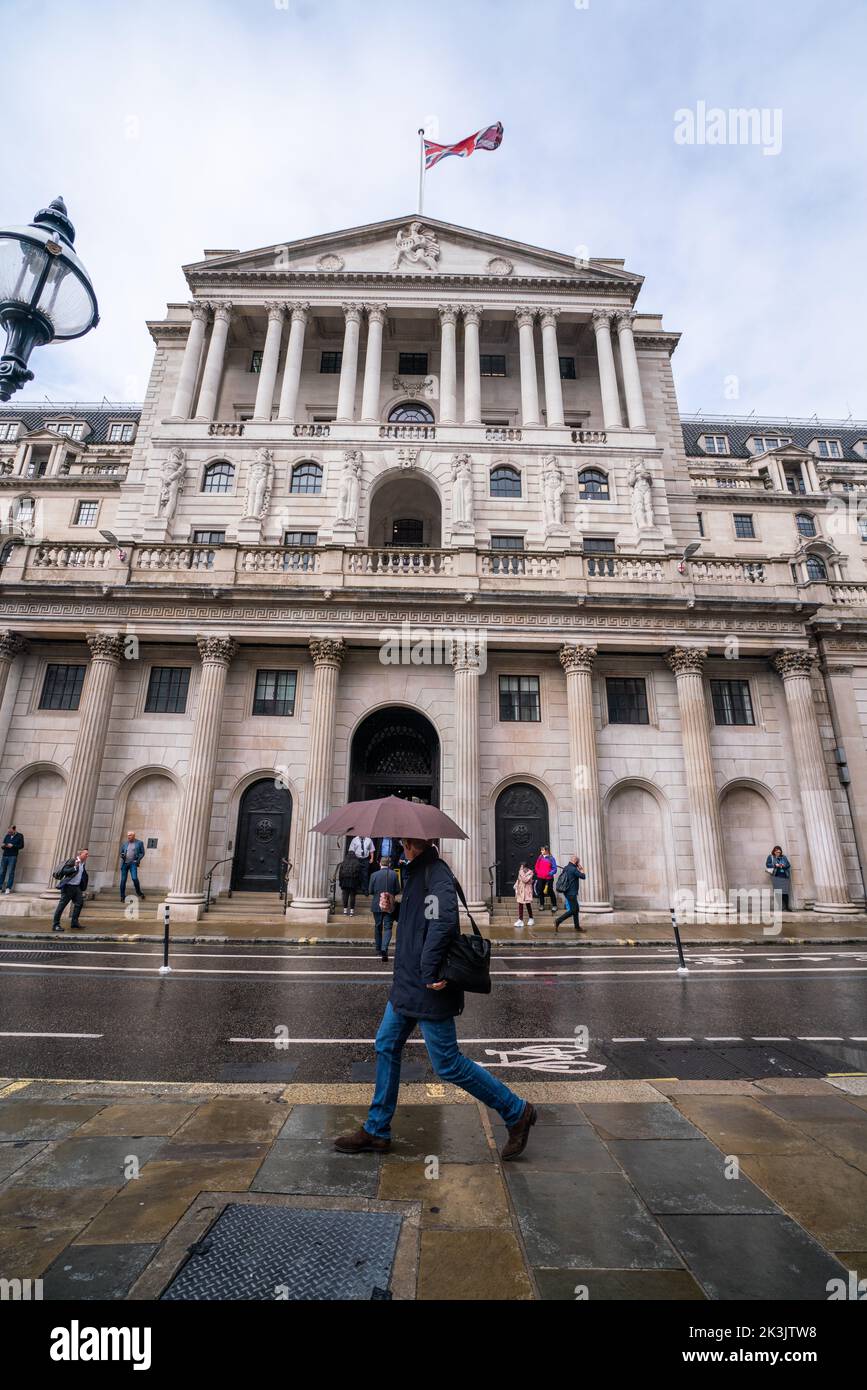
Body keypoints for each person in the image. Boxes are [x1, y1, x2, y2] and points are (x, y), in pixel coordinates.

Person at [334, 837, 536, 1161]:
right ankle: (377, 1129)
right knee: (386, 1044)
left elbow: (443, 923)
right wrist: (394, 908)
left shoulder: (436, 873)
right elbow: (422, 921)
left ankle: (516, 1111)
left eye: (404, 841)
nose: (400, 844)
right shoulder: (414, 872)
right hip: (409, 984)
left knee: (448, 1064)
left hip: (428, 984)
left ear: (415, 842)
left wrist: (428, 972)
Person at [369, 855, 399, 961]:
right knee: (387, 927)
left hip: (377, 904)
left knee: (377, 926)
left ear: (380, 863)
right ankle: (384, 948)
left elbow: (370, 891)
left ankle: (378, 948)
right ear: (389, 864)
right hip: (389, 904)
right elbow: (397, 890)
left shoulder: (374, 875)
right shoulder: (394, 874)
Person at [52, 849, 89, 932]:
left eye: (87, 854)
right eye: (86, 854)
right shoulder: (73, 861)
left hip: (76, 888)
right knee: (62, 906)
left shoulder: (83, 864)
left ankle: (74, 923)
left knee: (79, 903)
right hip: (68, 887)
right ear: (80, 854)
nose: (87, 856)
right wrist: (75, 868)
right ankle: (55, 925)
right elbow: (65, 871)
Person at [555, 855, 587, 932]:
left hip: (567, 892)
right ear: (576, 862)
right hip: (571, 893)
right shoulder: (574, 869)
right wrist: (581, 869)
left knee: (576, 909)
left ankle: (577, 926)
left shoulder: (566, 868)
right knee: (573, 910)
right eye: (578, 862)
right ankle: (558, 920)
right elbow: (583, 876)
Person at [119, 830, 146, 903]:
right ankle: (122, 896)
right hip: (124, 863)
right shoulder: (125, 843)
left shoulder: (139, 843)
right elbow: (121, 852)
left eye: (130, 835)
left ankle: (139, 892)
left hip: (133, 863)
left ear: (134, 836)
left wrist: (137, 860)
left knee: (134, 878)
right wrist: (122, 855)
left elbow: (142, 853)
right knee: (123, 880)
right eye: (128, 835)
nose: (128, 837)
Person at [765, 845, 792, 910]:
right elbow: (767, 864)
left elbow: (788, 865)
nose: (778, 853)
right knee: (778, 892)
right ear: (774, 852)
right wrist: (775, 865)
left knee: (785, 892)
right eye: (777, 852)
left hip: (784, 876)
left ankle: (787, 907)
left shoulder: (784, 857)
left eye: (779, 852)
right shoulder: (770, 857)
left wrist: (783, 865)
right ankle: (780, 907)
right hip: (776, 876)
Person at [0, 824, 24, 894]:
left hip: (13, 856)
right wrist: (3, 845)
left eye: (10, 832)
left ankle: (8, 888)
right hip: (5, 855)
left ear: (14, 829)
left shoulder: (20, 836)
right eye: (8, 832)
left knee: (11, 872)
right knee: (1, 872)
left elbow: (21, 846)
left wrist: (13, 846)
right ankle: (0, 887)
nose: (9, 833)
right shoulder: (7, 835)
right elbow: (3, 846)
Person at [338, 850, 363, 915]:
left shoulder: (343, 863)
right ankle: (352, 911)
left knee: (345, 896)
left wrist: (340, 882)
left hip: (344, 881)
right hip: (353, 882)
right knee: (352, 896)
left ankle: (345, 911)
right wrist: (359, 883)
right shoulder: (357, 863)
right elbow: (360, 875)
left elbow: (340, 874)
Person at [534, 846, 558, 913]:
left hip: (548, 878)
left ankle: (554, 905)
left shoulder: (551, 858)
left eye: (542, 850)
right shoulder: (540, 858)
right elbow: (536, 866)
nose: (541, 851)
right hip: (540, 878)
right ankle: (541, 905)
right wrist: (538, 872)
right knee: (540, 891)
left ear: (546, 851)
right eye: (541, 850)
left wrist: (549, 873)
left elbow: (554, 869)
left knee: (550, 891)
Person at [513, 861, 535, 927]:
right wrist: (516, 886)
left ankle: (531, 918)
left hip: (527, 890)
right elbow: (518, 879)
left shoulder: (530, 872)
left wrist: (521, 872)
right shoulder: (521, 872)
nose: (521, 869)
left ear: (526, 867)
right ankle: (520, 920)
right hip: (521, 890)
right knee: (520, 904)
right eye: (521, 867)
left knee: (528, 904)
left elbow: (525, 880)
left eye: (522, 867)